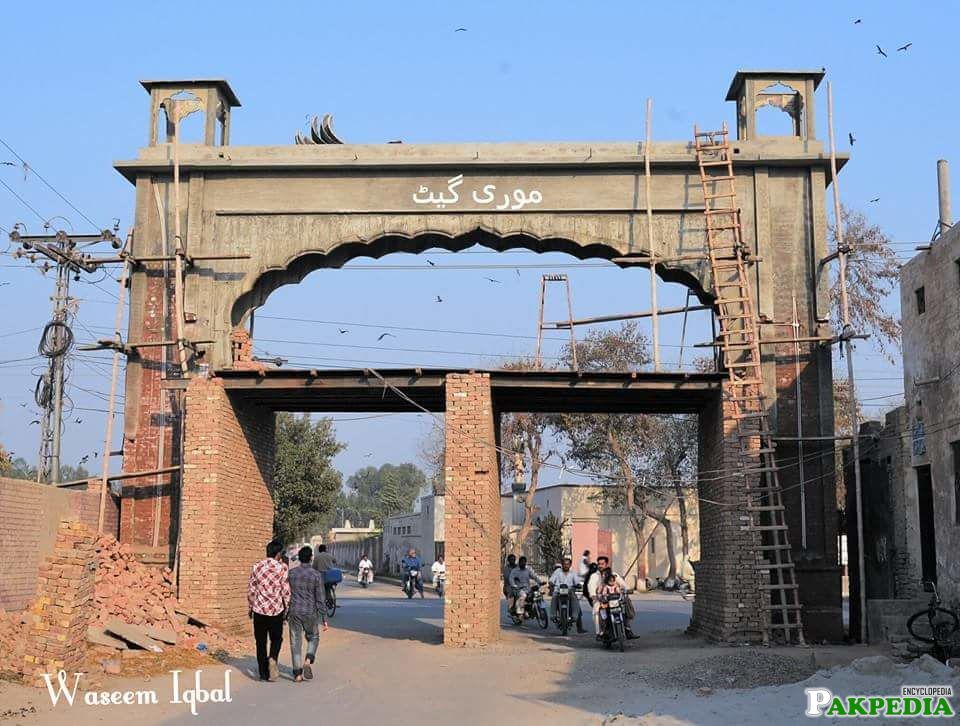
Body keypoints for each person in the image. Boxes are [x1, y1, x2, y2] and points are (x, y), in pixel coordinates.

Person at [248, 539, 291, 682]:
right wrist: (287, 607)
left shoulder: (256, 566)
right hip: (276, 610)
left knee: (260, 642)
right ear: (278, 554)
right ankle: (273, 658)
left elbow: (251, 590)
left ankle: (262, 673)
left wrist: (250, 607)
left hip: (259, 610)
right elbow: (285, 590)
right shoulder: (282, 568)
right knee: (276, 639)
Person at [287, 546, 329, 682]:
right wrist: (324, 618)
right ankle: (308, 660)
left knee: (295, 642)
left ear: (299, 558)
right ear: (311, 558)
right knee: (314, 637)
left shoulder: (291, 573)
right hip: (310, 612)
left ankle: (297, 674)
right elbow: (321, 598)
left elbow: (286, 594)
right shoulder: (316, 575)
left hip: (294, 612)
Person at [548, 555, 586, 633]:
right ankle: (553, 616)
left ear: (570, 565)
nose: (566, 565)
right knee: (554, 597)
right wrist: (551, 583)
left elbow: (577, 581)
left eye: (567, 564)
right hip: (558, 590)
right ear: (562, 565)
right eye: (564, 564)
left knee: (575, 601)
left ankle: (575, 618)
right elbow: (552, 580)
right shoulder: (557, 572)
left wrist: (578, 584)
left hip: (569, 591)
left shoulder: (573, 572)